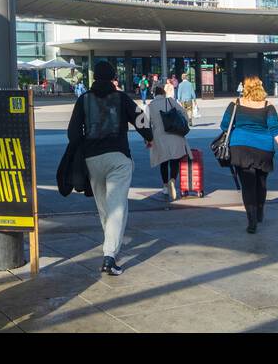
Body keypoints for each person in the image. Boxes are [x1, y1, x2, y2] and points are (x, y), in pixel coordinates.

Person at [66, 59, 150, 275]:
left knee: (104, 208)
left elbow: (73, 132)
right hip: (118, 157)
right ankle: (109, 256)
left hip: (92, 159)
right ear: (114, 77)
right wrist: (149, 138)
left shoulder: (83, 99)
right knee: (117, 207)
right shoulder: (121, 98)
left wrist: (83, 146)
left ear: (94, 78)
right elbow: (142, 120)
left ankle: (109, 249)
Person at [218, 77, 278, 234]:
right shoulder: (267, 106)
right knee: (261, 183)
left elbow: (224, 125)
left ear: (245, 88)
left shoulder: (235, 104)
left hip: (240, 148)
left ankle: (251, 221)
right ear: (260, 87)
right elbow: (276, 129)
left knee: (248, 185)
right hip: (263, 149)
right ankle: (260, 211)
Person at [144, 81, 190, 202]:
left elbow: (145, 124)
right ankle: (173, 180)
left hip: (159, 136)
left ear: (154, 94)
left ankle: (165, 186)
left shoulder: (150, 106)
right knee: (175, 160)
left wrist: (147, 139)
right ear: (164, 93)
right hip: (175, 133)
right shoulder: (171, 101)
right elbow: (184, 113)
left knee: (163, 161)